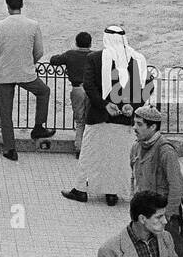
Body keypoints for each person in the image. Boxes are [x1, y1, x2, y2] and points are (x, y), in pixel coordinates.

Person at [63, 25, 149, 205]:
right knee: (118, 158)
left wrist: (104, 105)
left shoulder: (95, 58)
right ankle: (112, 194)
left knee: (91, 155)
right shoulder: (137, 59)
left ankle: (81, 190)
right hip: (124, 119)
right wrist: (131, 107)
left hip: (98, 116)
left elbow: (89, 85)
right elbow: (145, 87)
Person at [0, 0, 53, 160]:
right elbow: (39, 51)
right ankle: (38, 126)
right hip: (25, 72)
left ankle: (10, 149)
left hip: (5, 73)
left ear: (7, 6)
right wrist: (30, 63)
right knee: (43, 91)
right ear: (22, 5)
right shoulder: (33, 24)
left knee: (5, 113)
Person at [128, 104, 183, 257]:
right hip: (144, 218)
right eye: (134, 123)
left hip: (165, 219)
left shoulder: (165, 151)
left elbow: (178, 186)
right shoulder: (136, 147)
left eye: (139, 124)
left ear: (153, 126)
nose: (134, 128)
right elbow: (135, 178)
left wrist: (166, 216)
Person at [96, 190, 179, 257]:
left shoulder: (166, 237)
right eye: (159, 217)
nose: (165, 221)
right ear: (142, 219)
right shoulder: (109, 251)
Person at [50, 32, 93, 152]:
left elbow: (54, 60)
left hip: (77, 89)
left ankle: (79, 148)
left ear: (76, 43)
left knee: (80, 120)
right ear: (90, 44)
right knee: (90, 119)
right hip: (92, 90)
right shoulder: (94, 55)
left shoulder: (71, 54)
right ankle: (88, 148)